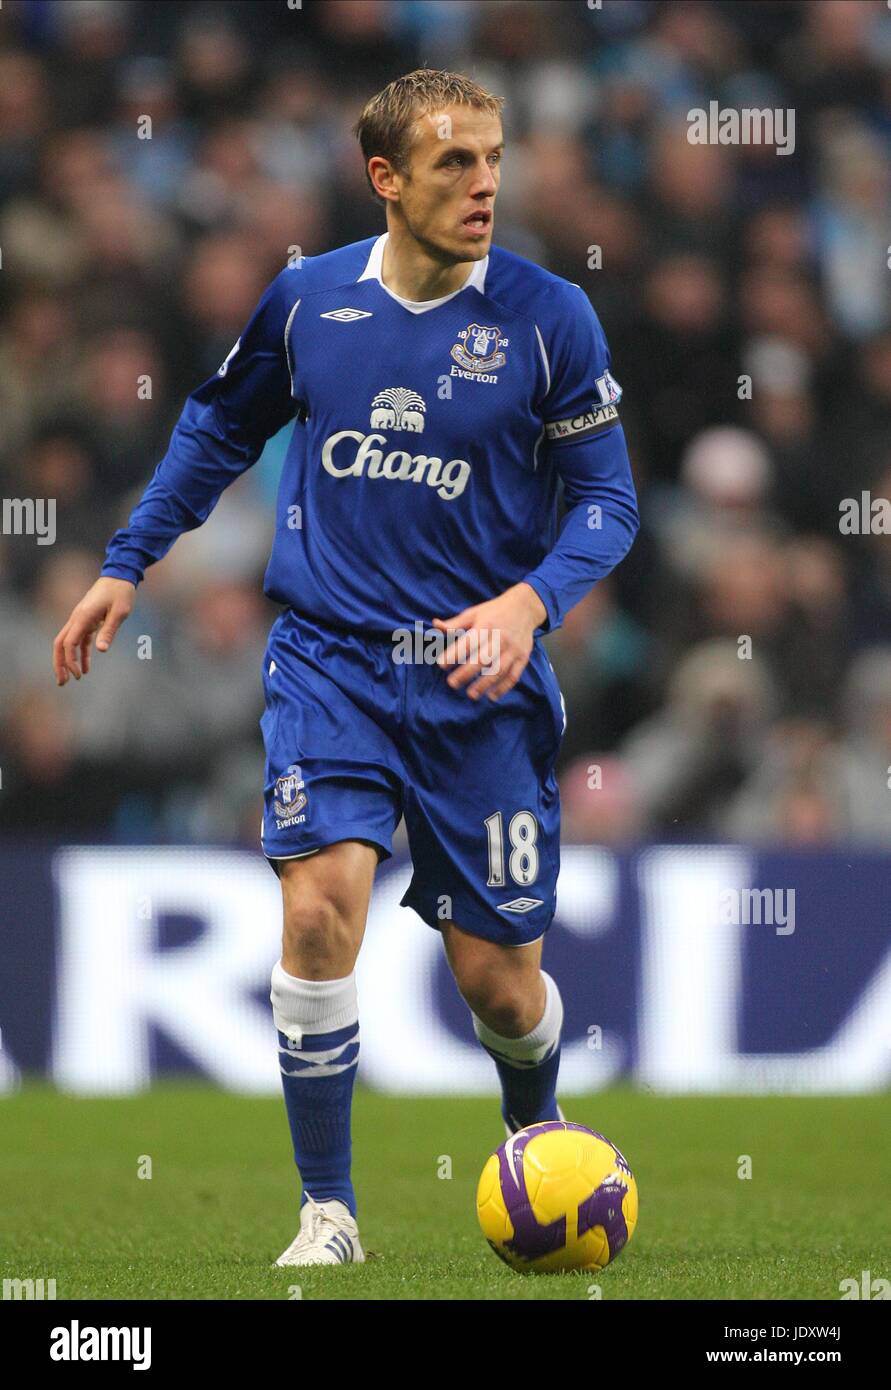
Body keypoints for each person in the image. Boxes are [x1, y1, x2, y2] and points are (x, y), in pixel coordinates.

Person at [52, 69, 639, 1268]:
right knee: (320, 910)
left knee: (502, 991)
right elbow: (218, 426)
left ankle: (535, 1124)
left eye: (493, 159)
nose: (485, 185)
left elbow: (608, 502)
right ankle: (330, 1213)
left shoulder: (548, 318)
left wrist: (528, 605)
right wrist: (129, 562)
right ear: (386, 179)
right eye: (453, 165)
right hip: (331, 663)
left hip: (481, 687)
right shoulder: (310, 302)